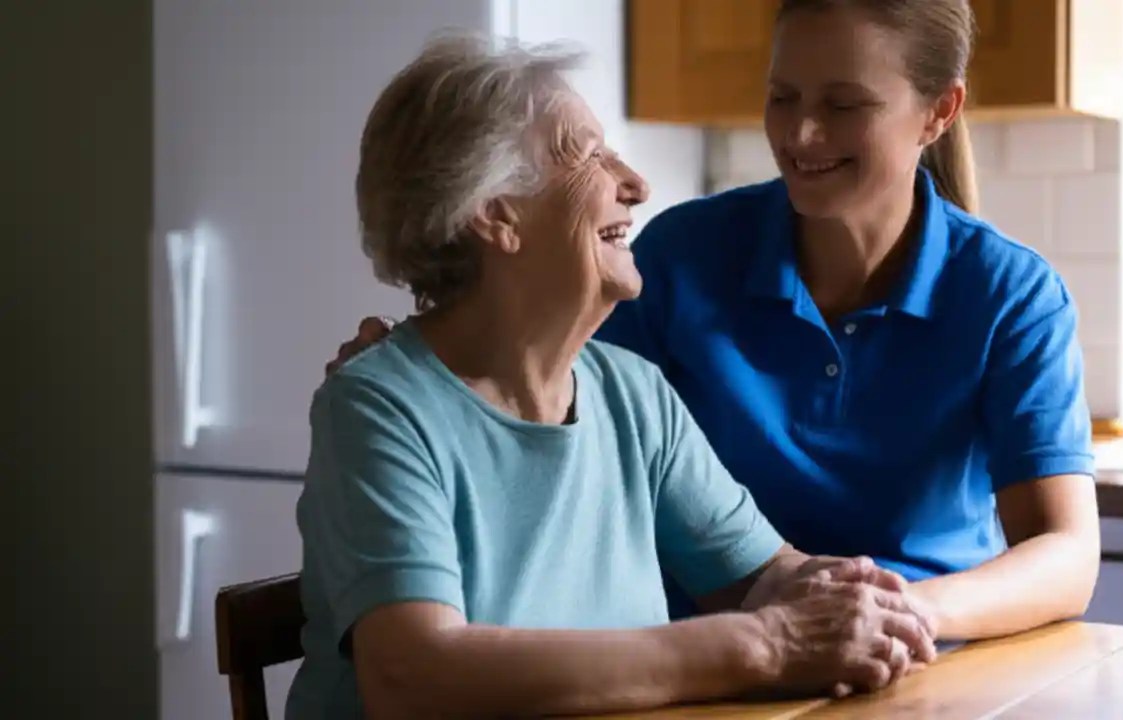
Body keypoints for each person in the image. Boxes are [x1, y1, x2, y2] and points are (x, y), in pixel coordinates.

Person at [334, 0, 1102, 644]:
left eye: (843, 105)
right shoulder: (680, 259)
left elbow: (1064, 553)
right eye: (783, 97)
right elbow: (532, 391)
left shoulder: (1009, 294)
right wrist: (416, 372)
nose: (801, 135)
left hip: (902, 655)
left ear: (940, 111)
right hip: (702, 661)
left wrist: (901, 610)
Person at [289, 35, 938, 720]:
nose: (634, 183)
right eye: (588, 154)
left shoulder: (632, 393)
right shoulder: (380, 408)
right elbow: (414, 677)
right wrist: (763, 645)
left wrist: (855, 597)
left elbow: (761, 578)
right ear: (496, 214)